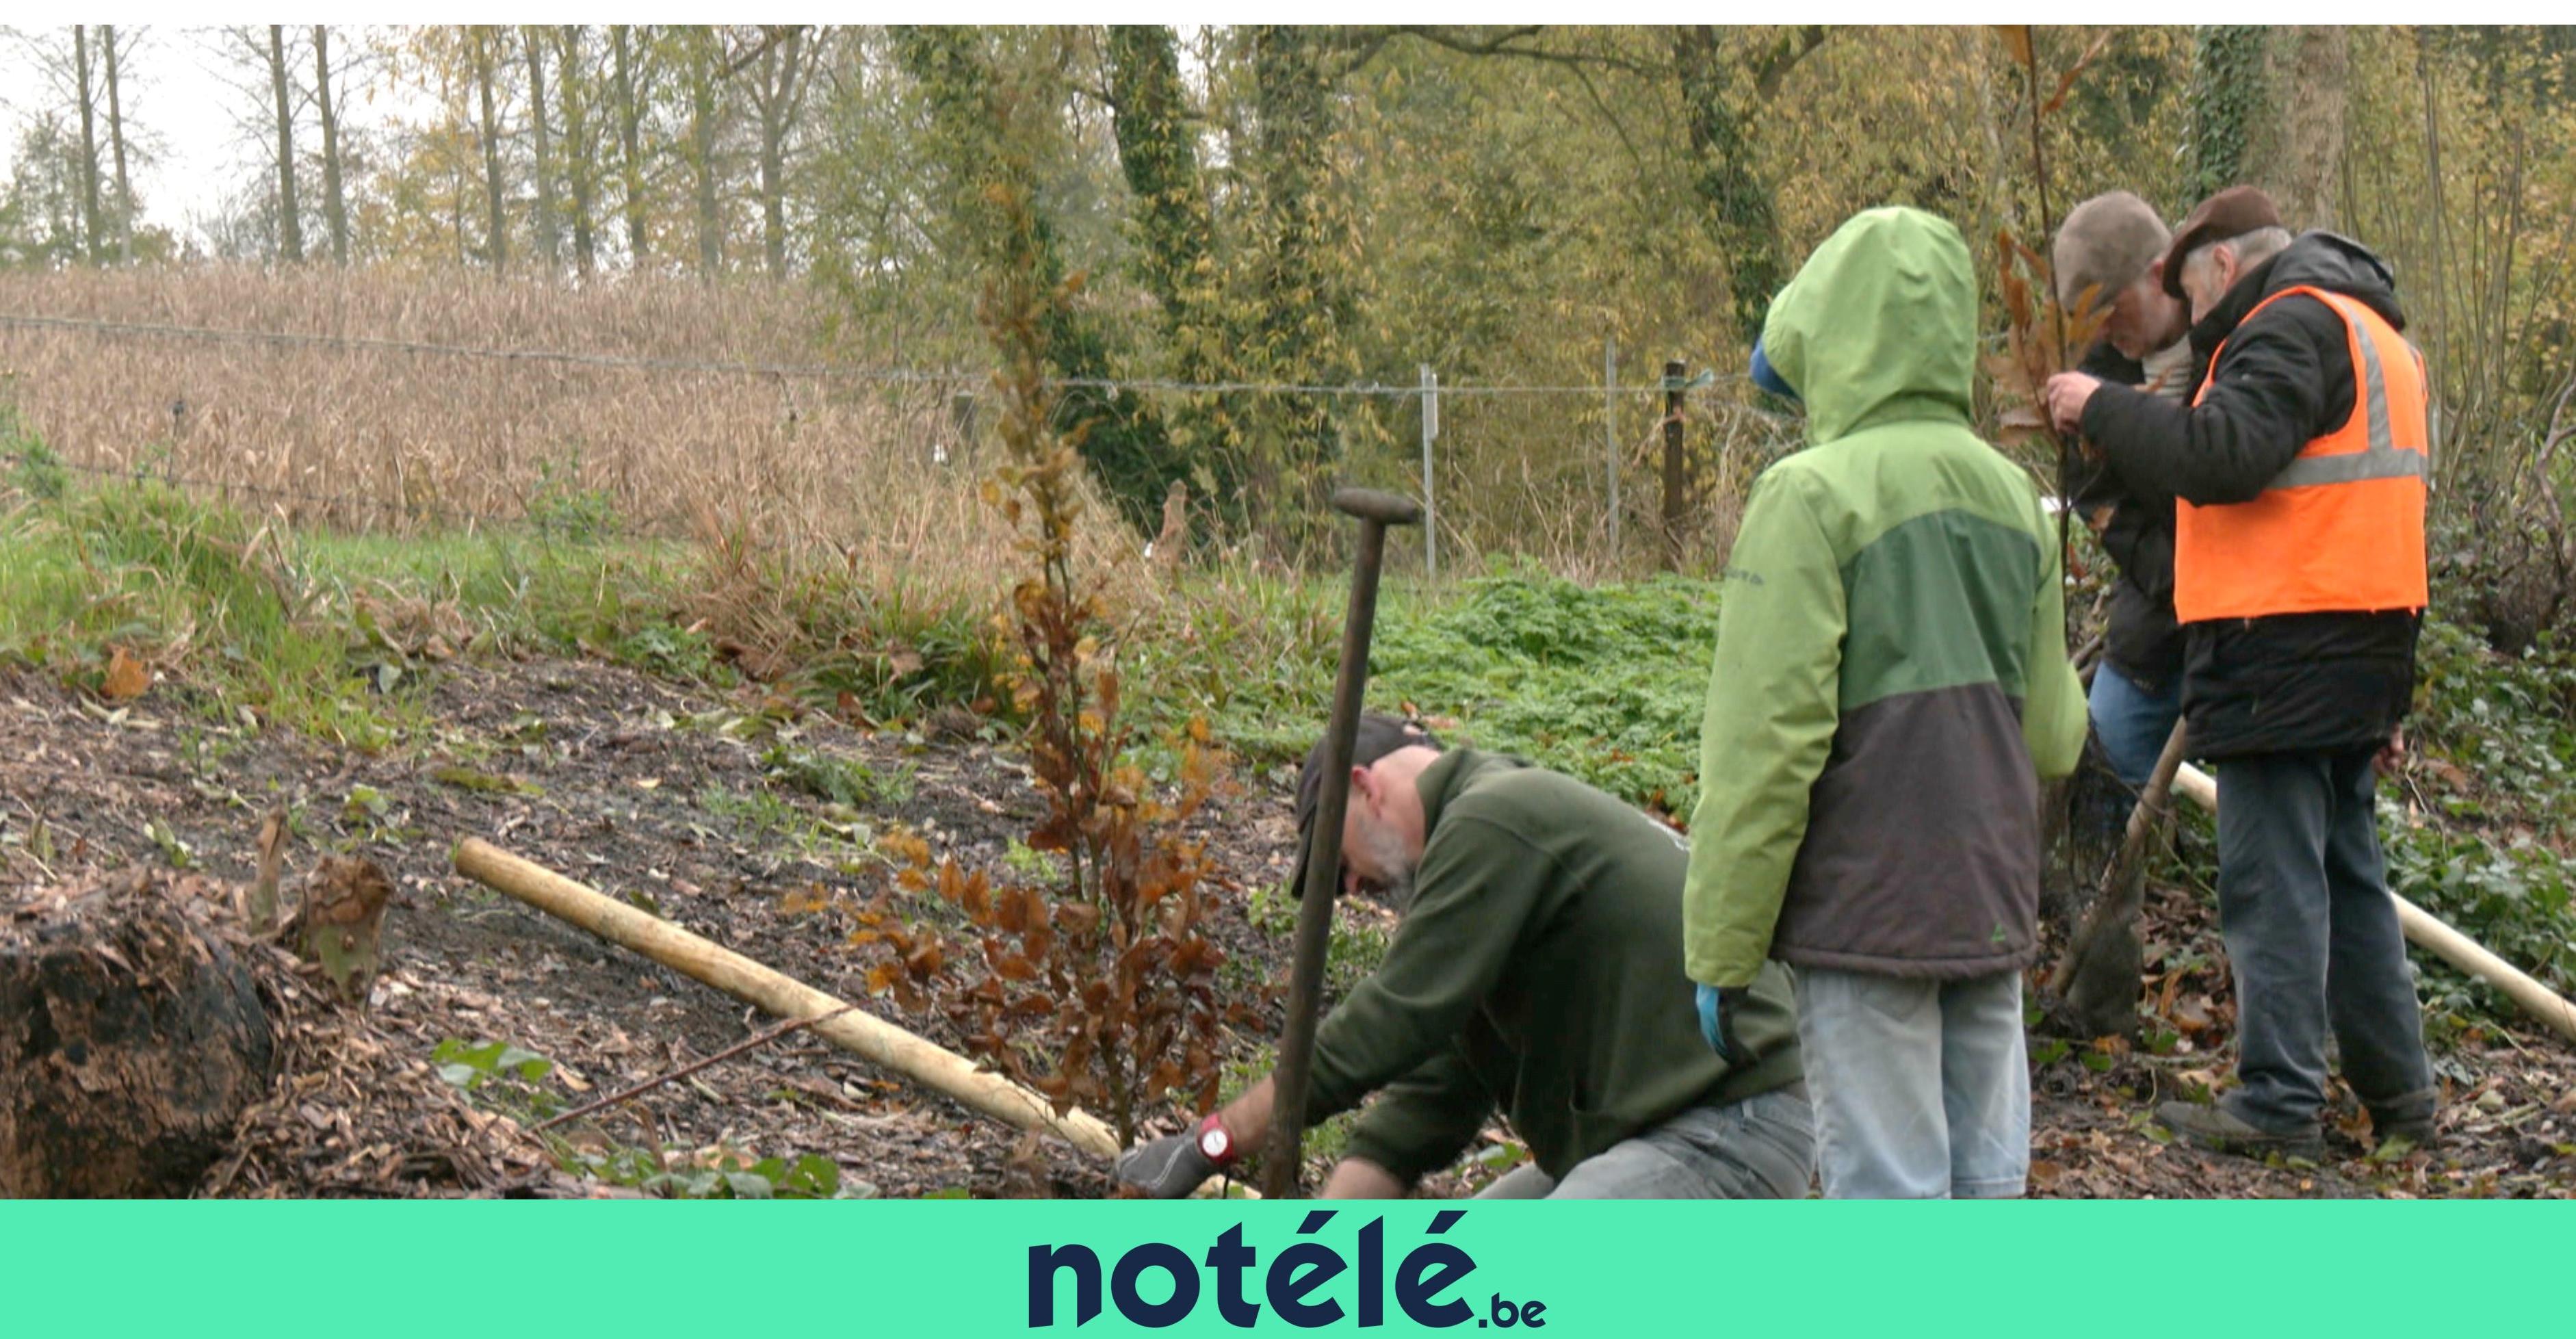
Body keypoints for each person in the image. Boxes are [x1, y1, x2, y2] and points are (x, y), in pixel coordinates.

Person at [1685, 206, 2088, 1199]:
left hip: (1863, 914)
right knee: (1987, 1180)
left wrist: (1721, 948)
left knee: (1885, 1193)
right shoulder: (2012, 498)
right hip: (1988, 901)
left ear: (1831, 338)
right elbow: (2054, 735)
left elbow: (1763, 749)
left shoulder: (1809, 499)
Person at [2043, 187, 2437, 1158]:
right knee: (2347, 883)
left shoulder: (2284, 324)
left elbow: (2223, 455)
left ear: (2222, 265)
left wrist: (2103, 404)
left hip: (2282, 655)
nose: (2194, 315)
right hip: (2354, 649)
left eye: (2189, 287)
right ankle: (2402, 1100)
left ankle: (2276, 1100)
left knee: (2272, 886)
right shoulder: (2365, 327)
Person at [1113, 714, 1813, 1199]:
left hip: (1728, 1123)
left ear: (1364, 785)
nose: (1350, 886)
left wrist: (1215, 1141)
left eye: (1337, 863)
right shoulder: (1486, 859)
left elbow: (1392, 1021)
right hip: (1647, 1137)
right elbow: (1431, 1097)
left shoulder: (1492, 818)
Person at [2053, 191, 2196, 790]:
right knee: (2098, 774)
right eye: (2092, 321)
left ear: (2159, 275)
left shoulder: (2236, 342)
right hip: (2155, 620)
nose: (2106, 333)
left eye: (2113, 311)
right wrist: (2183, 583)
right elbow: (2100, 505)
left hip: (2253, 628)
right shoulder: (2088, 371)